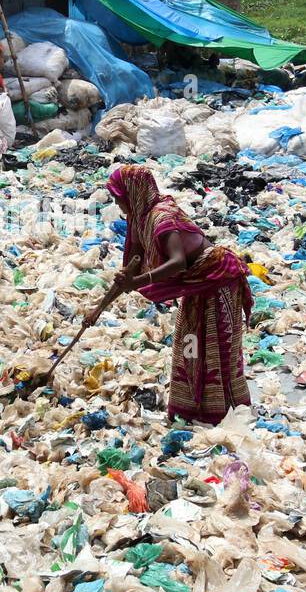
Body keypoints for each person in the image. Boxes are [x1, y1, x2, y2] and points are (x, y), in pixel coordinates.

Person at [102, 165, 253, 425]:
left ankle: (224, 409)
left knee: (216, 345)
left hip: (218, 278)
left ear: (133, 193)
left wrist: (139, 281)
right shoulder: (140, 218)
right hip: (197, 283)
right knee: (190, 342)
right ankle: (191, 409)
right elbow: (133, 265)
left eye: (118, 197)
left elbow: (178, 262)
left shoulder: (162, 217)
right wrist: (103, 302)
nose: (117, 203)